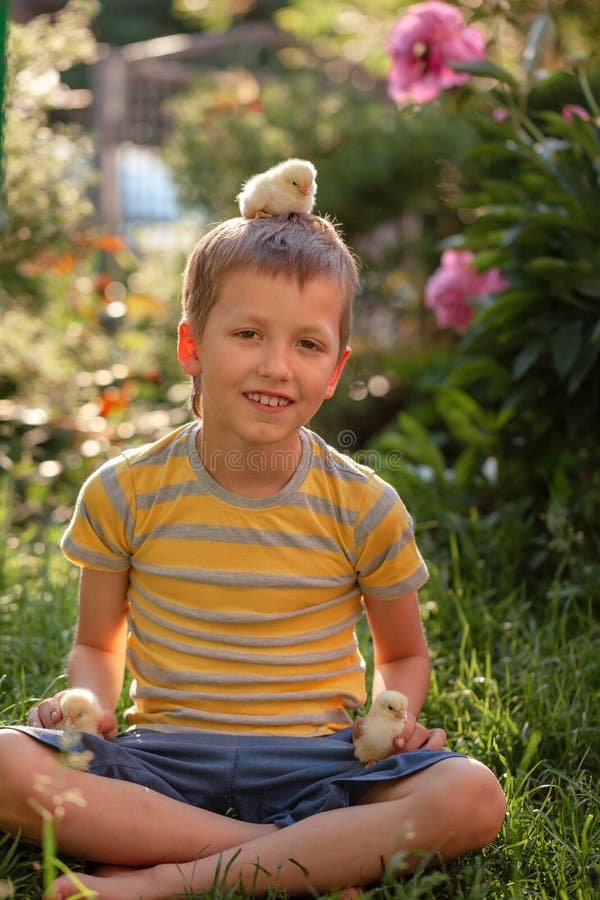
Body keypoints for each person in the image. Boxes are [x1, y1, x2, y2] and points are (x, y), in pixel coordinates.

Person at [0, 210, 505, 900]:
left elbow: (405, 655)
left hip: (319, 768)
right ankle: (306, 856)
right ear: (192, 346)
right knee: (4, 760)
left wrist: (396, 721)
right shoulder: (124, 491)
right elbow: (96, 642)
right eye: (248, 334)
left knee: (472, 794)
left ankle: (163, 877)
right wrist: (86, 703)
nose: (277, 366)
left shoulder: (365, 505)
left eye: (308, 343)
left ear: (336, 369)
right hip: (162, 766)